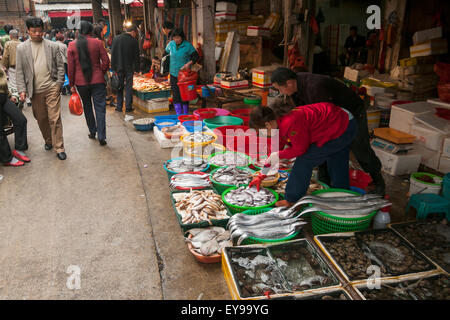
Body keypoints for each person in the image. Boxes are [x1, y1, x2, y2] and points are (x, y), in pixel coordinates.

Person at [270, 67, 385, 195]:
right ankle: (327, 183)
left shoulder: (315, 88)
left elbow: (325, 125)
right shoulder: (295, 90)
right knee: (326, 151)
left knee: (360, 149)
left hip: (351, 112)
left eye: (280, 89)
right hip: (333, 119)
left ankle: (377, 180)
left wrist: (292, 150)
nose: (281, 93)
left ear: (289, 83)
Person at [249, 100, 357, 206]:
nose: (262, 135)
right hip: (340, 119)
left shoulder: (290, 122)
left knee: (305, 161)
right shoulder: (276, 122)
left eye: (260, 132)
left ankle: (292, 200)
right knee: (337, 160)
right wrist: (262, 174)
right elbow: (275, 152)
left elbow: (300, 150)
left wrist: (278, 155)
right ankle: (343, 195)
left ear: (267, 125)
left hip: (342, 124)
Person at [16, 17, 67, 160]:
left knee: (55, 118)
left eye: (40, 31)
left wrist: (58, 84)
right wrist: (21, 90)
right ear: (28, 31)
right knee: (41, 118)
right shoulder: (21, 48)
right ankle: (48, 140)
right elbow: (19, 71)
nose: (38, 34)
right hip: (34, 90)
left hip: (51, 87)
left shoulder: (53, 46)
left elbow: (60, 66)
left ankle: (59, 147)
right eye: (34, 31)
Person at [68, 21, 110, 146]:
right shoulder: (97, 43)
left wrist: (71, 84)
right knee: (100, 108)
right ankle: (102, 136)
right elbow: (106, 61)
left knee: (87, 107)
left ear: (79, 31)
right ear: (91, 31)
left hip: (81, 83)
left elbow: (70, 68)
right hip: (98, 81)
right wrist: (100, 72)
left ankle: (92, 131)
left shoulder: (71, 45)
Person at [165, 28, 199, 115]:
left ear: (182, 37)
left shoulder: (187, 45)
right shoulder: (171, 44)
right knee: (176, 95)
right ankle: (179, 115)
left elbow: (195, 56)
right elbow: (165, 55)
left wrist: (188, 64)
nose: (176, 40)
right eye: (174, 38)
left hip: (184, 75)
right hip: (173, 74)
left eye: (178, 38)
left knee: (184, 95)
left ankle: (185, 114)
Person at [0, 68, 29, 166]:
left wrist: (8, 95)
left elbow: (2, 81)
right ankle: (7, 159)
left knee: (21, 120)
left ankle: (19, 148)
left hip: (3, 97)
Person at [110, 24, 140, 113]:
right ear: (133, 32)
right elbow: (136, 57)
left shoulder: (116, 39)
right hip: (129, 68)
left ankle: (119, 107)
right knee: (128, 87)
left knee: (119, 87)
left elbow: (113, 54)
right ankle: (128, 107)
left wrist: (113, 67)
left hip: (118, 68)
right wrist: (137, 69)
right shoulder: (133, 41)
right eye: (136, 33)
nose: (136, 35)